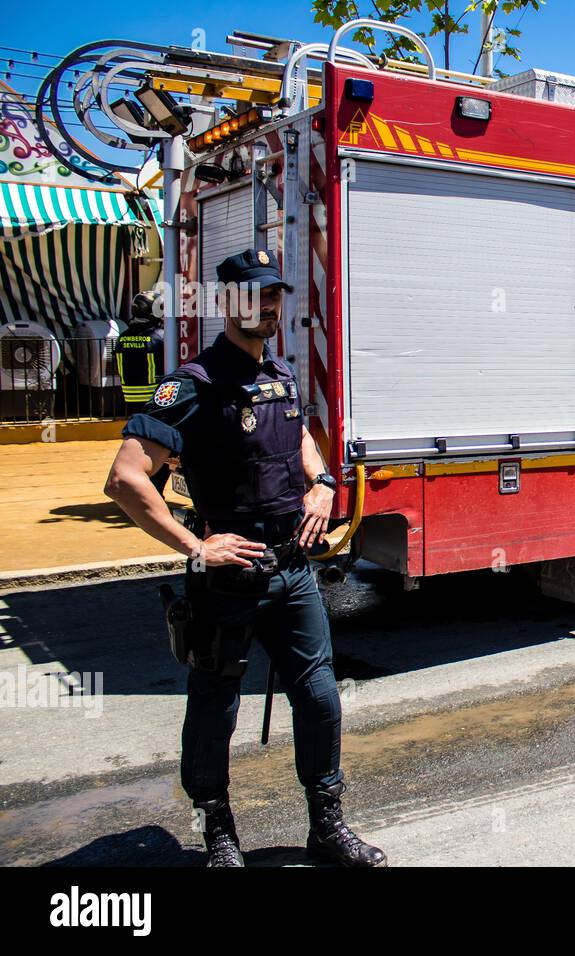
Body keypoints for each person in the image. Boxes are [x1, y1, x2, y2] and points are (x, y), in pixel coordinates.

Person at [104, 249, 386, 868]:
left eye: (273, 294)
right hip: (227, 578)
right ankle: (219, 834)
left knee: (318, 699)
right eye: (253, 295)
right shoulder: (194, 385)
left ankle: (327, 826)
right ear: (226, 303)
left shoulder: (280, 375)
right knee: (215, 707)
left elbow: (301, 442)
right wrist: (196, 546)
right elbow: (126, 479)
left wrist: (323, 486)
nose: (266, 306)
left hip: (292, 570)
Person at [114, 290, 170, 493]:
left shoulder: (122, 338)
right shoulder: (161, 337)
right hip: (155, 403)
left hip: (131, 404)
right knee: (165, 450)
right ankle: (152, 494)